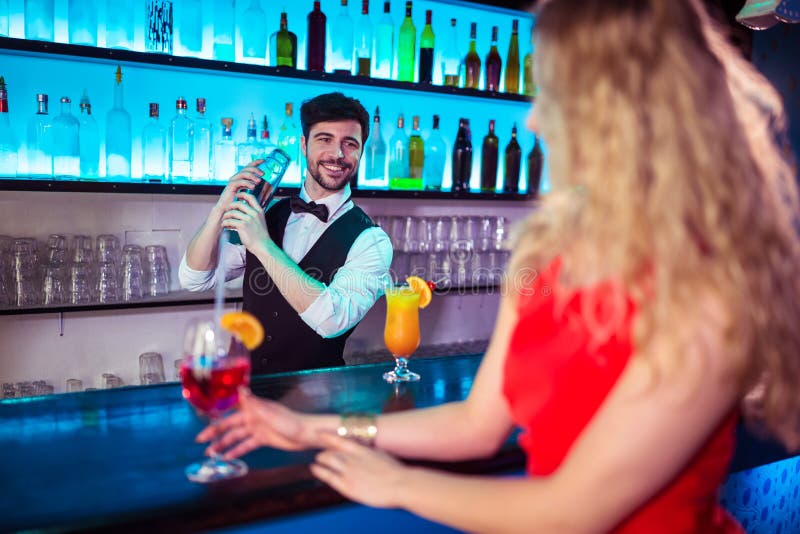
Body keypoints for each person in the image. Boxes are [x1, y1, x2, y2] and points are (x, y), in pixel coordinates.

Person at [197, 0, 800, 531]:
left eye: (555, 95)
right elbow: (477, 424)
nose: (534, 122)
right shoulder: (546, 254)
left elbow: (572, 512)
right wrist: (312, 430)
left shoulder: (708, 292)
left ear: (625, 109)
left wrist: (400, 485)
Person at [179, 92, 392, 375]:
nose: (338, 154)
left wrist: (262, 244)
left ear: (361, 151)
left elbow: (332, 319)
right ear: (304, 145)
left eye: (350, 144)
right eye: (324, 139)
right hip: (247, 392)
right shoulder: (267, 212)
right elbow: (194, 278)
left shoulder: (372, 241)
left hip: (315, 404)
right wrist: (219, 211)